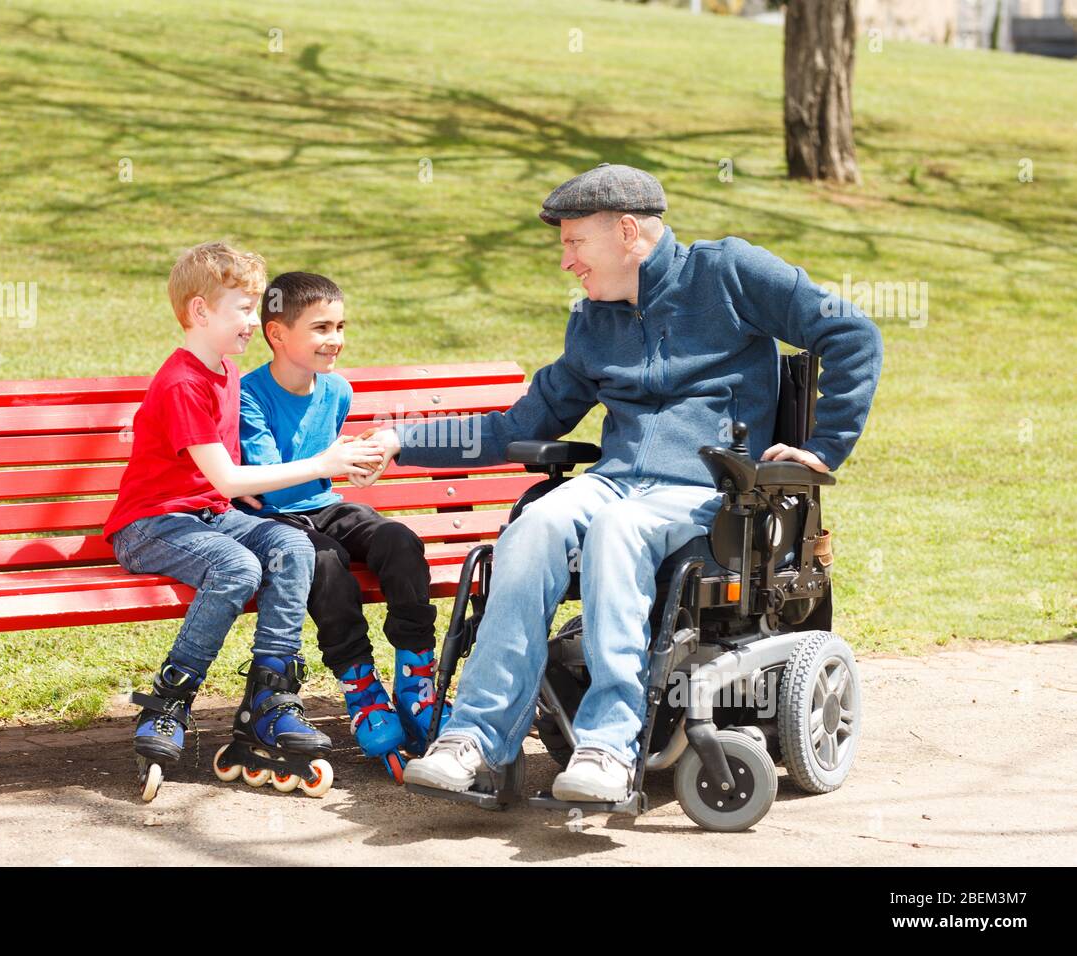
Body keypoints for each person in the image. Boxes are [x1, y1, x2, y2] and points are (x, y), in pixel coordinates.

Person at [366, 164, 883, 803]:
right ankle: (475, 738)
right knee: (536, 525)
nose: (566, 262)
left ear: (627, 232)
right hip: (614, 483)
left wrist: (821, 449)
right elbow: (523, 423)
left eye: (574, 242)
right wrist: (401, 440)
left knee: (618, 529)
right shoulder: (594, 321)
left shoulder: (728, 273)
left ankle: (609, 746)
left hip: (710, 493)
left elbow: (853, 332)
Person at [102, 242, 384, 799]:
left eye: (256, 308)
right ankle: (171, 700)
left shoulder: (225, 372)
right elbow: (228, 478)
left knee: (293, 546)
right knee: (235, 568)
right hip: (151, 525)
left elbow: (233, 475)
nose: (253, 322)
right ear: (200, 311)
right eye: (242, 308)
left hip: (207, 515)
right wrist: (321, 464)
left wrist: (324, 461)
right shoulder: (183, 382)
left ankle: (270, 697)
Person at [238, 271, 450, 781]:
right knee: (327, 560)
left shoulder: (337, 390)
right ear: (277, 334)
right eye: (320, 328)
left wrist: (363, 461)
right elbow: (272, 486)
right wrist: (334, 460)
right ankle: (361, 688)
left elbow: (332, 467)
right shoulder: (249, 395)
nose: (335, 338)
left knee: (398, 539)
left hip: (327, 504)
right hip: (279, 520)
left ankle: (416, 674)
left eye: (340, 325)